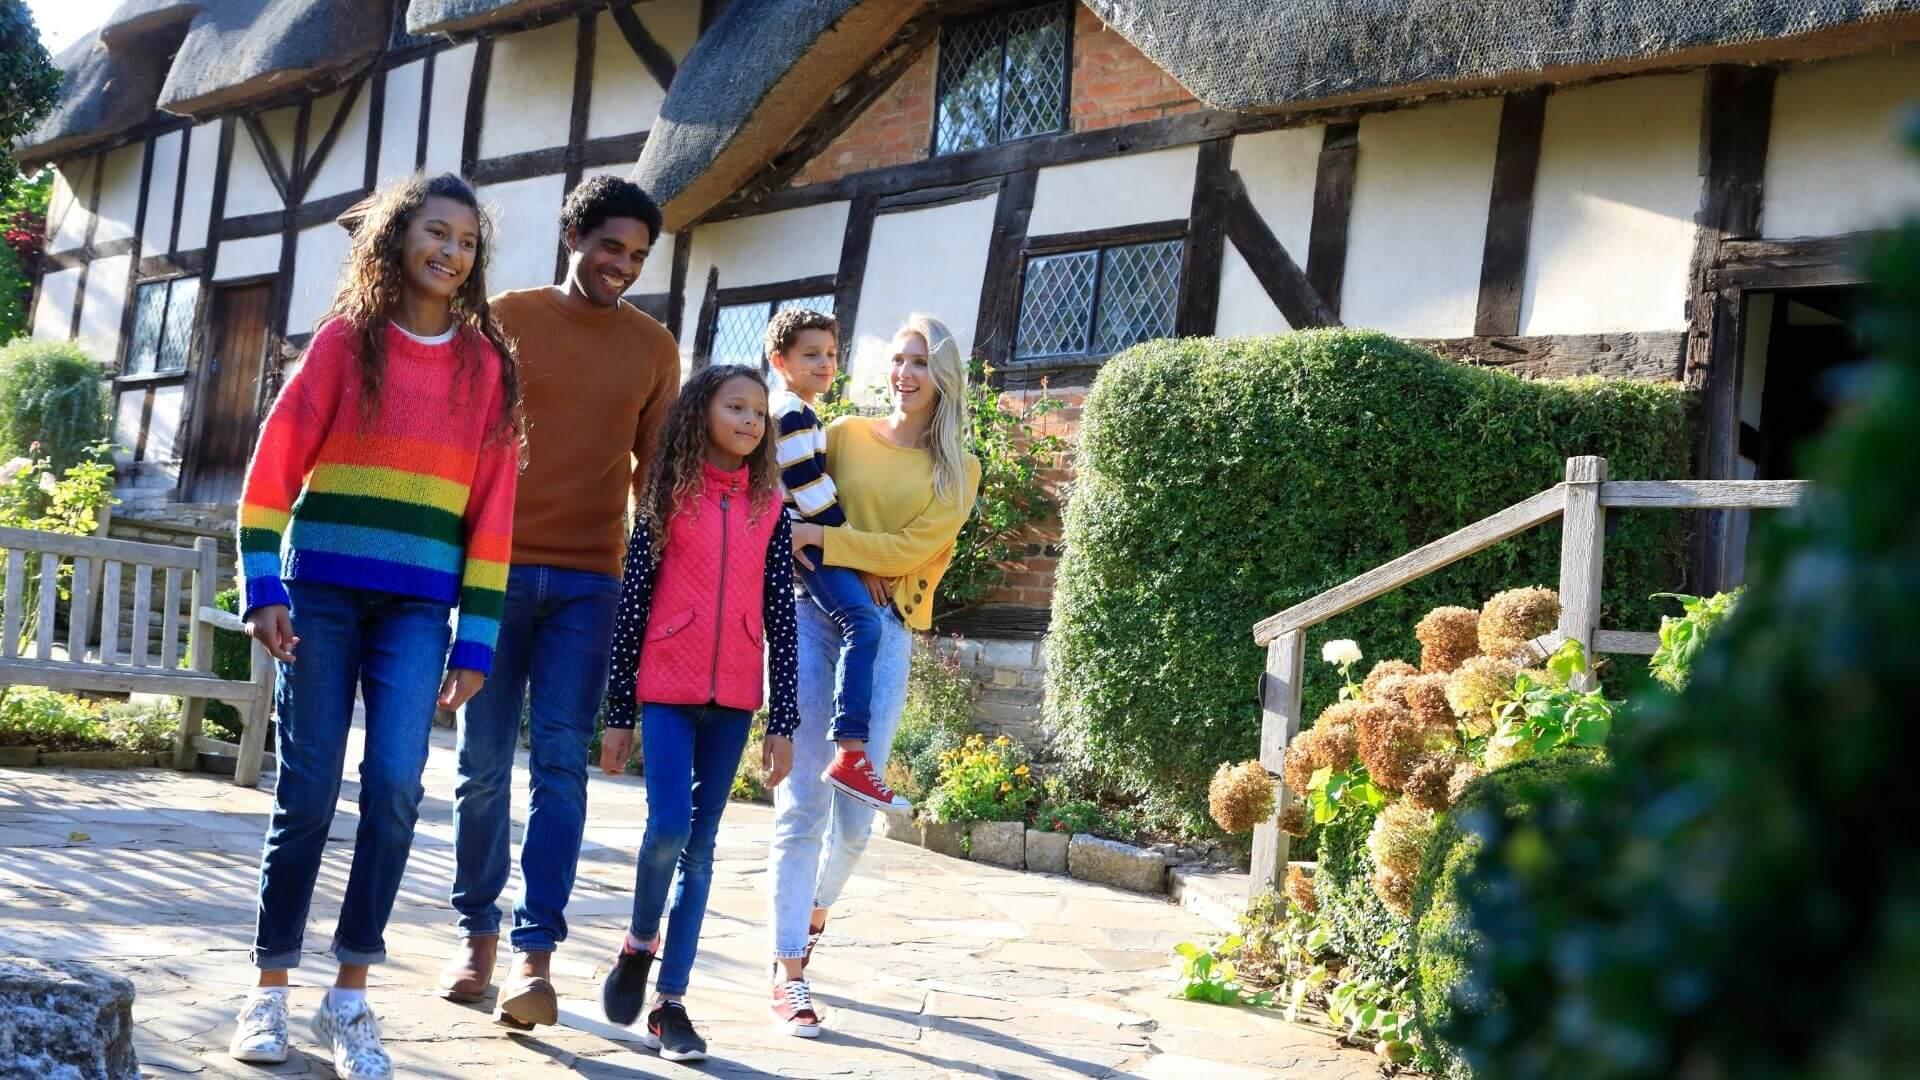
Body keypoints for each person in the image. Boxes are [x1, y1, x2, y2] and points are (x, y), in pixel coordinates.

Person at [226, 173, 519, 1080]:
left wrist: (476, 641)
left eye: (468, 241)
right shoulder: (343, 347)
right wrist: (265, 585)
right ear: (396, 240)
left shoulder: (488, 370)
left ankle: (348, 995)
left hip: (418, 610)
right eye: (437, 232)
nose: (453, 252)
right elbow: (270, 477)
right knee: (306, 793)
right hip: (319, 599)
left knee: (395, 788)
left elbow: (494, 514)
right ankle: (270, 988)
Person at [439, 175, 680, 1029]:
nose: (623, 265)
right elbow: (459, 440)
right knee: (479, 769)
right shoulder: (503, 317)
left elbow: (653, 483)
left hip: (591, 582)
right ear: (574, 236)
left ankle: (535, 960)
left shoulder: (654, 349)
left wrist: (661, 594)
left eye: (638, 257)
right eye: (611, 247)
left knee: (559, 774)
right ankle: (477, 937)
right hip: (494, 574)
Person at [765, 314, 980, 1037]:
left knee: (857, 822)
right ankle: (789, 969)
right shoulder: (846, 433)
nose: (904, 374)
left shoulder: (958, 469)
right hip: (811, 617)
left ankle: (813, 910)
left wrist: (830, 541)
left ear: (942, 376)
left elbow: (913, 546)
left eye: (920, 362)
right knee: (801, 805)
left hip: (884, 634)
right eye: (898, 359)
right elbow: (785, 485)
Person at [596, 364, 800, 1063]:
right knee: (668, 827)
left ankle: (670, 1002)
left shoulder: (770, 505)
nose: (750, 420)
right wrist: (618, 709)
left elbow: (781, 613)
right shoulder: (666, 494)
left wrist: (783, 721)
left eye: (759, 412)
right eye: (735, 406)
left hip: (736, 695)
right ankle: (637, 944)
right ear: (701, 413)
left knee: (703, 849)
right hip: (667, 686)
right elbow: (631, 607)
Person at [764, 308, 908, 812]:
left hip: (802, 540)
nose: (825, 364)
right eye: (811, 355)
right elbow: (810, 492)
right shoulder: (793, 412)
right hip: (804, 542)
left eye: (830, 353)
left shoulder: (794, 409)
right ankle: (850, 750)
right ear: (780, 361)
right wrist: (857, 550)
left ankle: (849, 750)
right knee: (863, 624)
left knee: (859, 622)